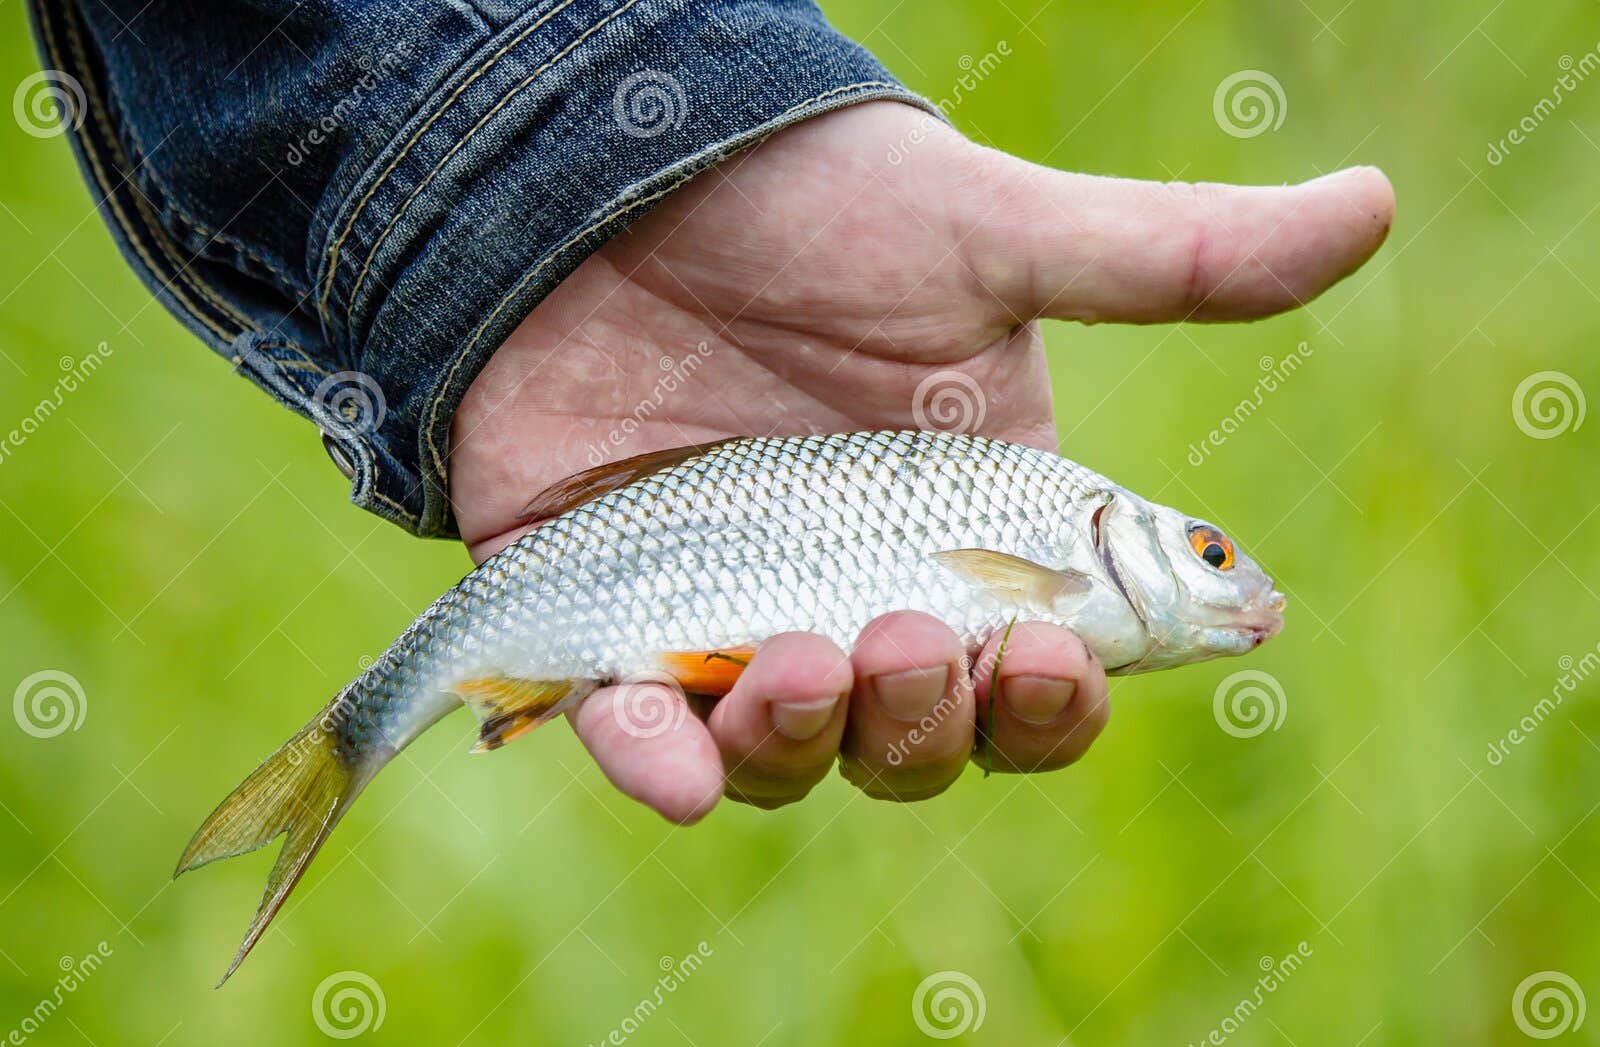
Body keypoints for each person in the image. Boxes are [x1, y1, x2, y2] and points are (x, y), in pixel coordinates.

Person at [31, 0, 1393, 822]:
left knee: (801, 683)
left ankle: (399, 721)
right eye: (1211, 554)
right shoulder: (1054, 526)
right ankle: (351, 740)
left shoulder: (1045, 532)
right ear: (1122, 539)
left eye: (1220, 560)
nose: (1234, 577)